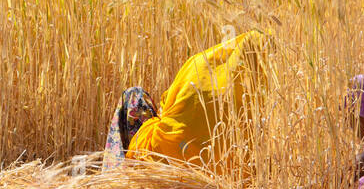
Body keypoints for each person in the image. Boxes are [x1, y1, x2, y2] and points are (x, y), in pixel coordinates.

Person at [104, 30, 267, 169]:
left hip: (165, 156)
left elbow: (168, 105)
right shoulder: (257, 99)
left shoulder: (199, 63)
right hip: (224, 175)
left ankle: (115, 173)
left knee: (134, 96)